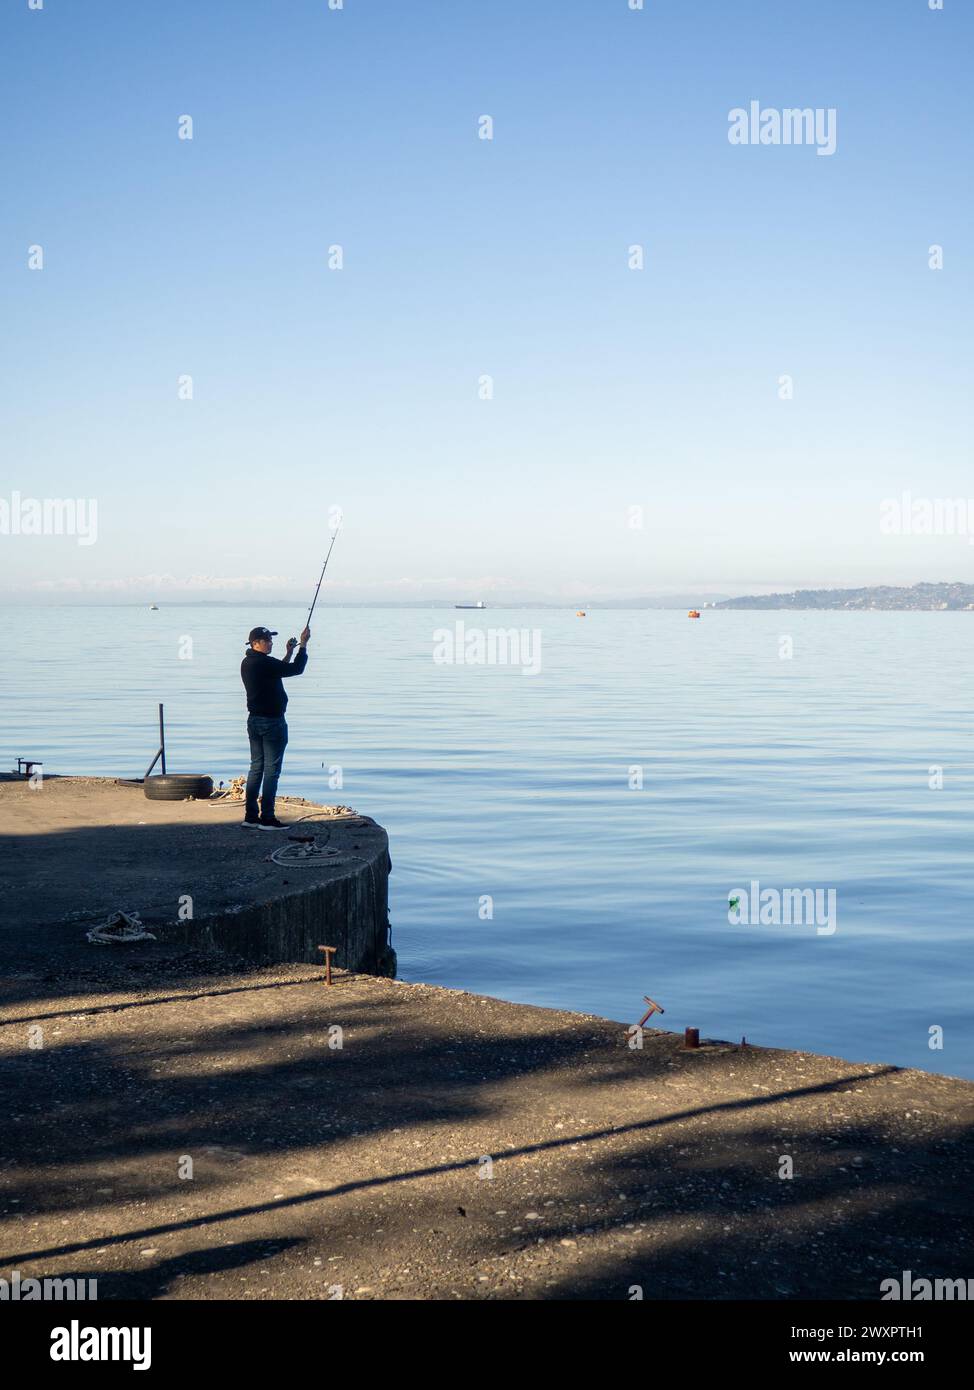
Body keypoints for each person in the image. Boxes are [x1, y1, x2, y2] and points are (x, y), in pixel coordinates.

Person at [239, 623, 311, 828]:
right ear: (256, 643)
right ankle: (267, 818)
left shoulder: (249, 662)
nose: (271, 643)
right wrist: (303, 645)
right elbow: (296, 670)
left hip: (254, 721)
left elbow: (279, 671)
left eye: (271, 639)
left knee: (256, 768)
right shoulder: (263, 663)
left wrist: (289, 652)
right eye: (267, 640)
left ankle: (251, 817)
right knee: (271, 771)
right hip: (272, 723)